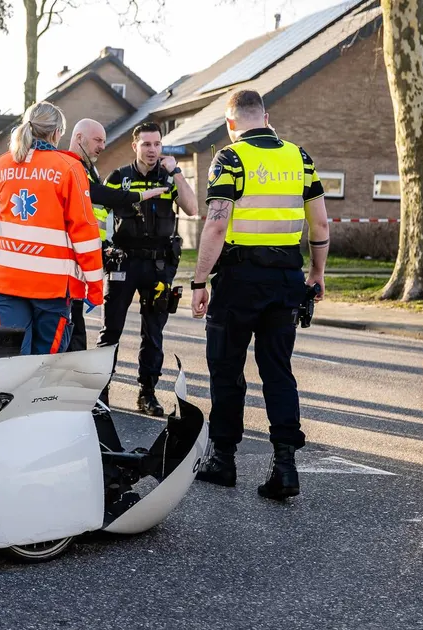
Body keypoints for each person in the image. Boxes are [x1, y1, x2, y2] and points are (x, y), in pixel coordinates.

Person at [189, 89, 330, 501]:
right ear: (266, 117)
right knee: (278, 372)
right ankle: (285, 467)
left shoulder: (230, 158)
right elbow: (319, 224)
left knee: (226, 369)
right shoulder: (299, 157)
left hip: (238, 281)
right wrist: (317, 274)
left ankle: (224, 461)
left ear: (230, 123)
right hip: (286, 279)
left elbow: (216, 227)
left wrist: (199, 281)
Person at [0, 101, 103, 355]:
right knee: (42, 368)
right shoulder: (69, 168)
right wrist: (95, 286)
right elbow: (85, 232)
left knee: (7, 361)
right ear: (57, 132)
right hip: (52, 287)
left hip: (5, 282)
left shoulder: (1, 165)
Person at [98, 122, 199, 417]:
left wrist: (177, 172)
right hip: (123, 263)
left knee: (153, 334)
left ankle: (147, 394)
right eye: (146, 144)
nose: (153, 150)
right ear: (135, 146)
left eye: (157, 144)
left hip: (158, 266)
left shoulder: (170, 178)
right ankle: (101, 394)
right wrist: (103, 248)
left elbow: (192, 208)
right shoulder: (118, 178)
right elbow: (96, 213)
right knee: (110, 331)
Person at [64, 118, 167, 355]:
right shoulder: (74, 167)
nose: (102, 146)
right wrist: (140, 196)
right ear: (79, 138)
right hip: (70, 263)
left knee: (75, 328)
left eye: (157, 144)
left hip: (83, 262)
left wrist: (101, 248)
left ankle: (81, 388)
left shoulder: (88, 168)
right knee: (76, 330)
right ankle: (92, 390)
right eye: (98, 140)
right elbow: (102, 196)